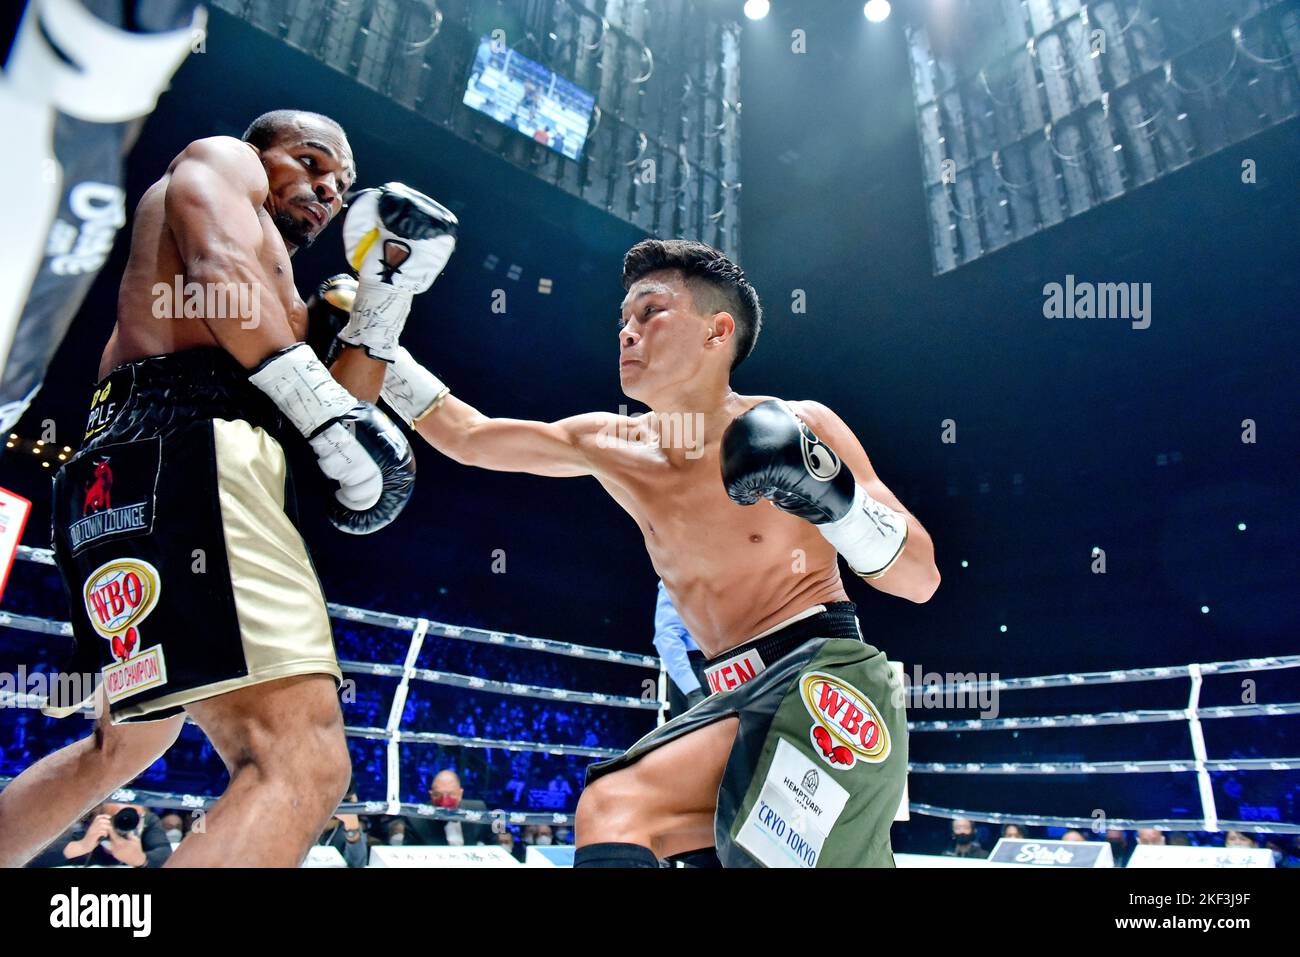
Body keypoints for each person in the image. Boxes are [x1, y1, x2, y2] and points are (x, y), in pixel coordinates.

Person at [361, 238, 940, 867]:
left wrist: (840, 503)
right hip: (727, 696)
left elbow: (921, 579)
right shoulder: (609, 444)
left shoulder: (800, 424)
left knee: (617, 805)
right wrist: (375, 335)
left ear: (718, 332)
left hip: (822, 677)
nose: (627, 333)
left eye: (650, 313)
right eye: (622, 322)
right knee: (638, 826)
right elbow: (468, 436)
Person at [0, 109, 456, 867]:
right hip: (194, 451)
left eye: (340, 187)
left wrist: (383, 299)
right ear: (262, 151)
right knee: (302, 763)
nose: (327, 189)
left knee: (125, 741)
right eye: (312, 163)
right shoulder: (220, 159)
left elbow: (348, 416)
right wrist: (321, 408)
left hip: (120, 473)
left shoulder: (285, 303)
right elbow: (218, 278)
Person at [28, 801, 172, 868]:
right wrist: (81, 846)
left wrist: (141, 860)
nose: (125, 822)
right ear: (99, 818)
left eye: (133, 817)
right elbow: (27, 858)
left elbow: (168, 857)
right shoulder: (85, 832)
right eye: (117, 817)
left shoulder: (148, 823)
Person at [391, 770, 490, 847]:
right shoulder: (416, 820)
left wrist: (502, 833)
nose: (445, 801)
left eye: (451, 794)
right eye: (438, 795)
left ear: (460, 794)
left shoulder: (478, 809)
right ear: (430, 795)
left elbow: (495, 840)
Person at [653, 580, 707, 717]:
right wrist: (692, 690)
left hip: (723, 664)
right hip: (693, 669)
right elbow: (667, 636)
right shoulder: (675, 576)